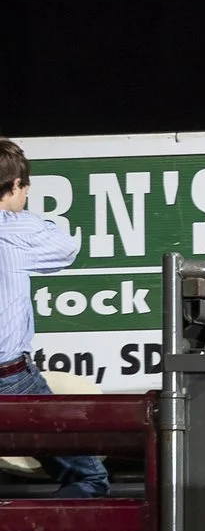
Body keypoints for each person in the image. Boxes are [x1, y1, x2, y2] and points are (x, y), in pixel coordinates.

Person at [0, 140, 109, 498]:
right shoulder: (15, 236)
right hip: (10, 381)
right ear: (15, 184)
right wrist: (14, 218)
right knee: (89, 480)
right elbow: (66, 248)